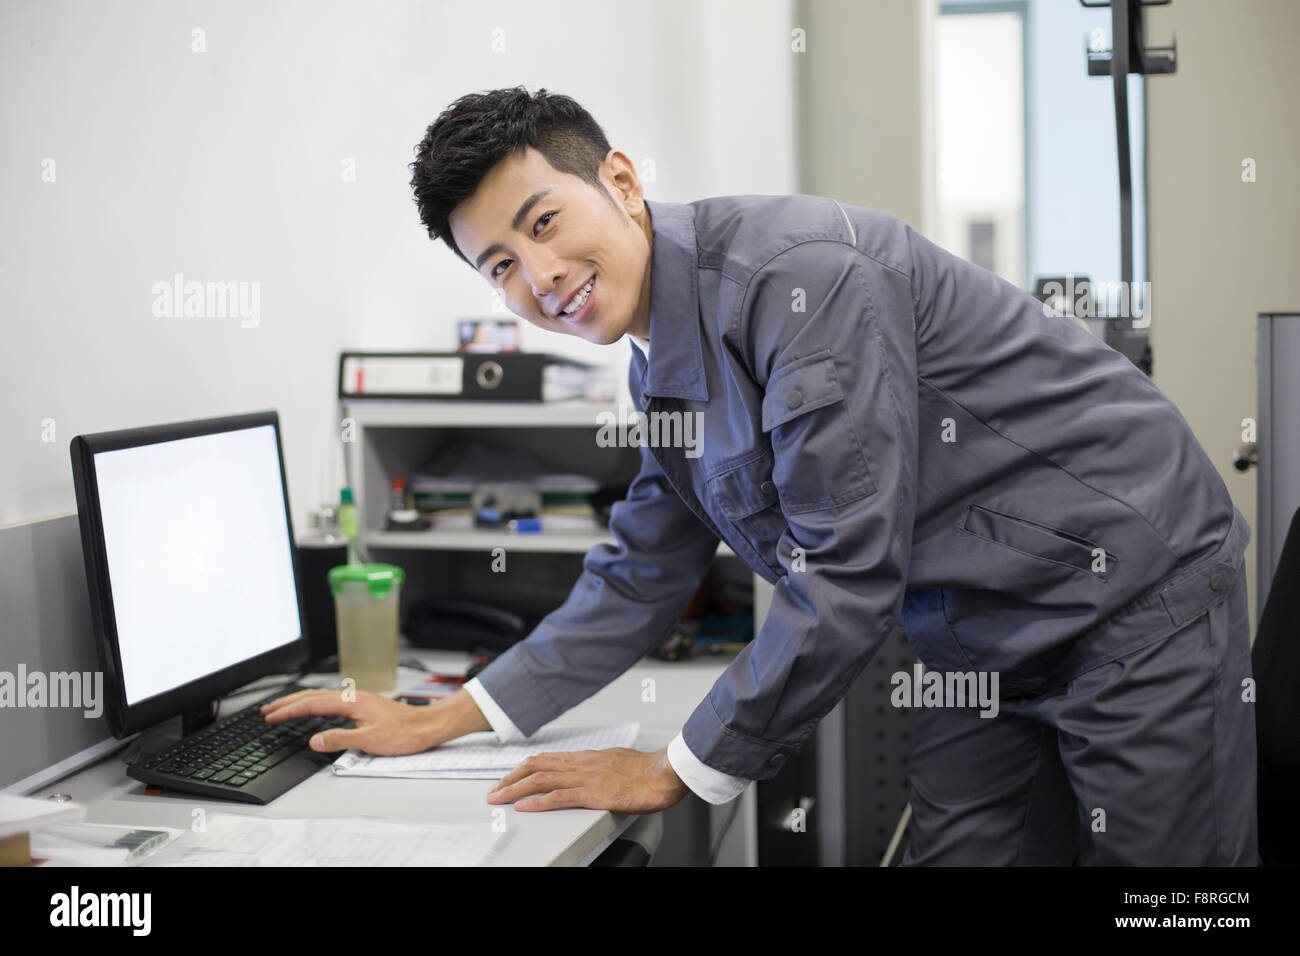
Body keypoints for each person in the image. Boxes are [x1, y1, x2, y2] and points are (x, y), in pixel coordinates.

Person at [262, 86, 1257, 865]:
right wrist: (451, 712)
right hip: (979, 628)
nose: (539, 273)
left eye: (543, 221)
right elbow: (646, 563)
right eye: (498, 265)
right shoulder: (661, 355)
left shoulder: (799, 277)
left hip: (1128, 584)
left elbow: (847, 570)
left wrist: (680, 768)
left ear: (618, 178)